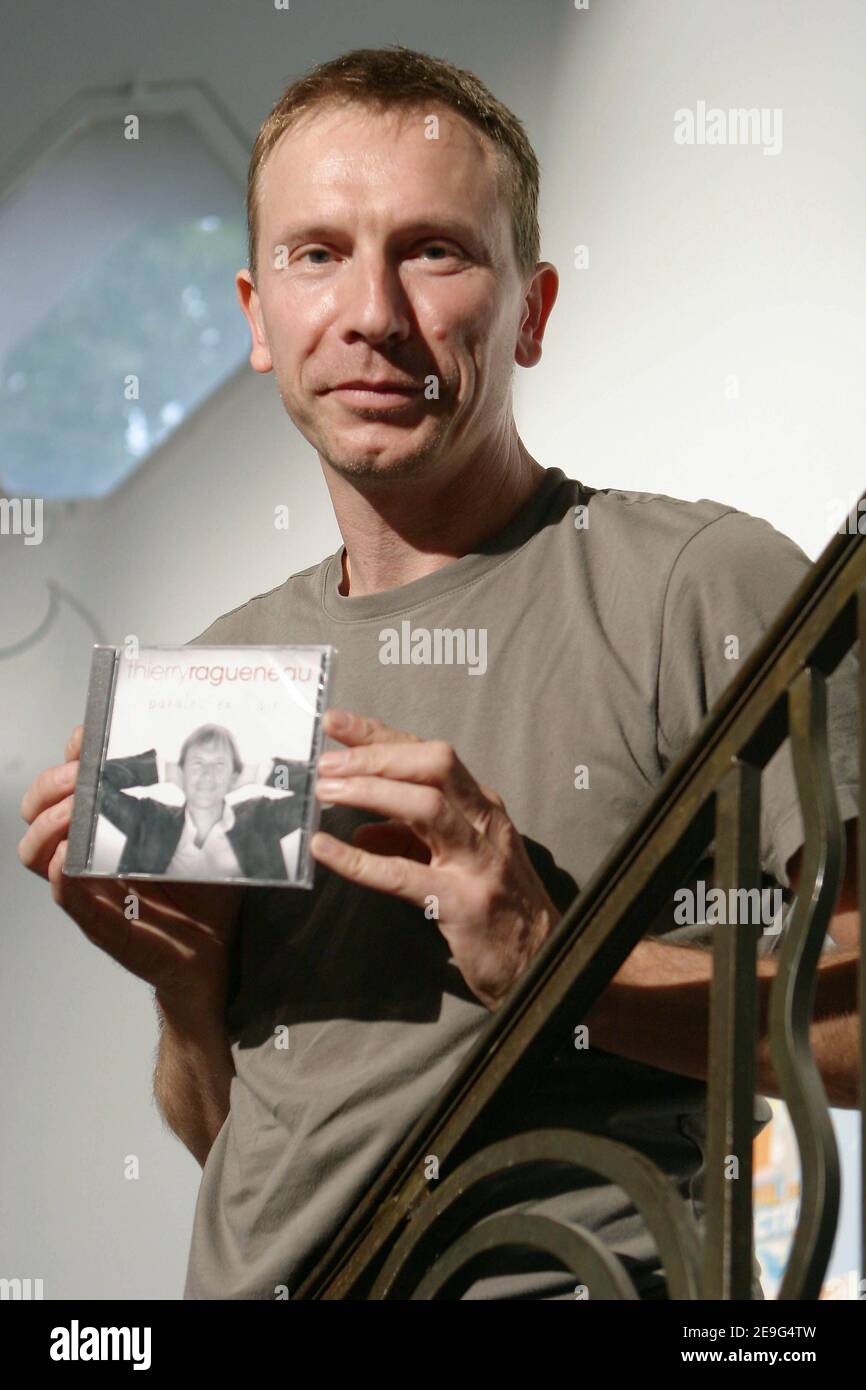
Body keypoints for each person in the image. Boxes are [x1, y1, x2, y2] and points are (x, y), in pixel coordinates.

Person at [18, 45, 860, 1301]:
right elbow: (246, 1142)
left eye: (433, 250)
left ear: (529, 308)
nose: (370, 312)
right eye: (317, 254)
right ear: (256, 316)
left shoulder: (699, 584)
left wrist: (549, 956)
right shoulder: (219, 676)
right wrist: (189, 987)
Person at [96, 724, 310, 880]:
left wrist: (258, 774)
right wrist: (163, 770)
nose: (207, 774)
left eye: (219, 765)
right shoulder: (148, 819)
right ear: (182, 772)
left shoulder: (263, 818)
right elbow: (93, 782)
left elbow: (316, 789)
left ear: (234, 776)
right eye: (197, 763)